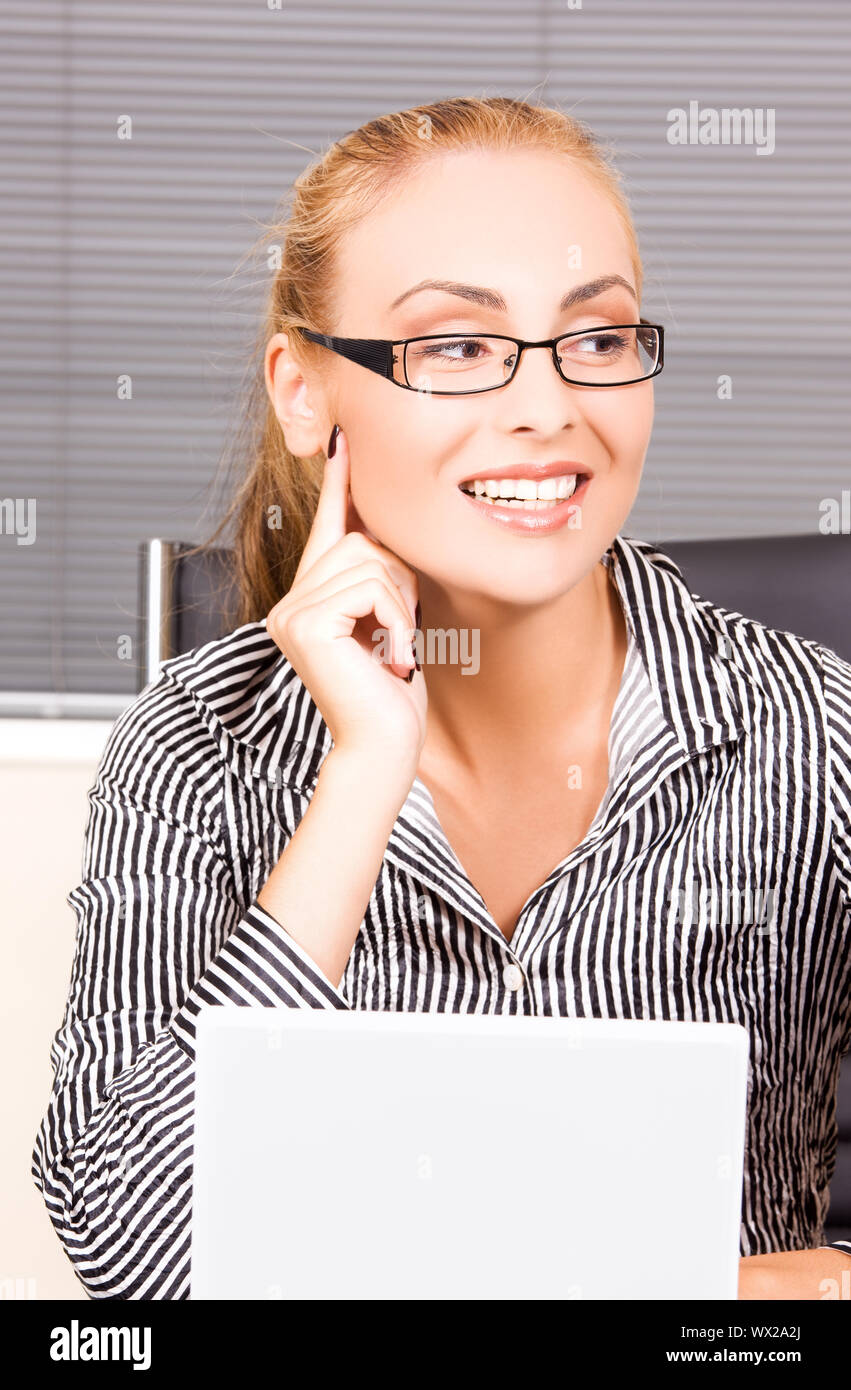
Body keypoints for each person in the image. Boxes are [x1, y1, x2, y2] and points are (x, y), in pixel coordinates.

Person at [32, 95, 851, 1300]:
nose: (546, 407)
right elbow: (137, 1258)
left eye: (599, 339)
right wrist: (360, 776)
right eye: (457, 347)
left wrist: (766, 1295)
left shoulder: (813, 728)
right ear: (306, 391)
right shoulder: (197, 745)